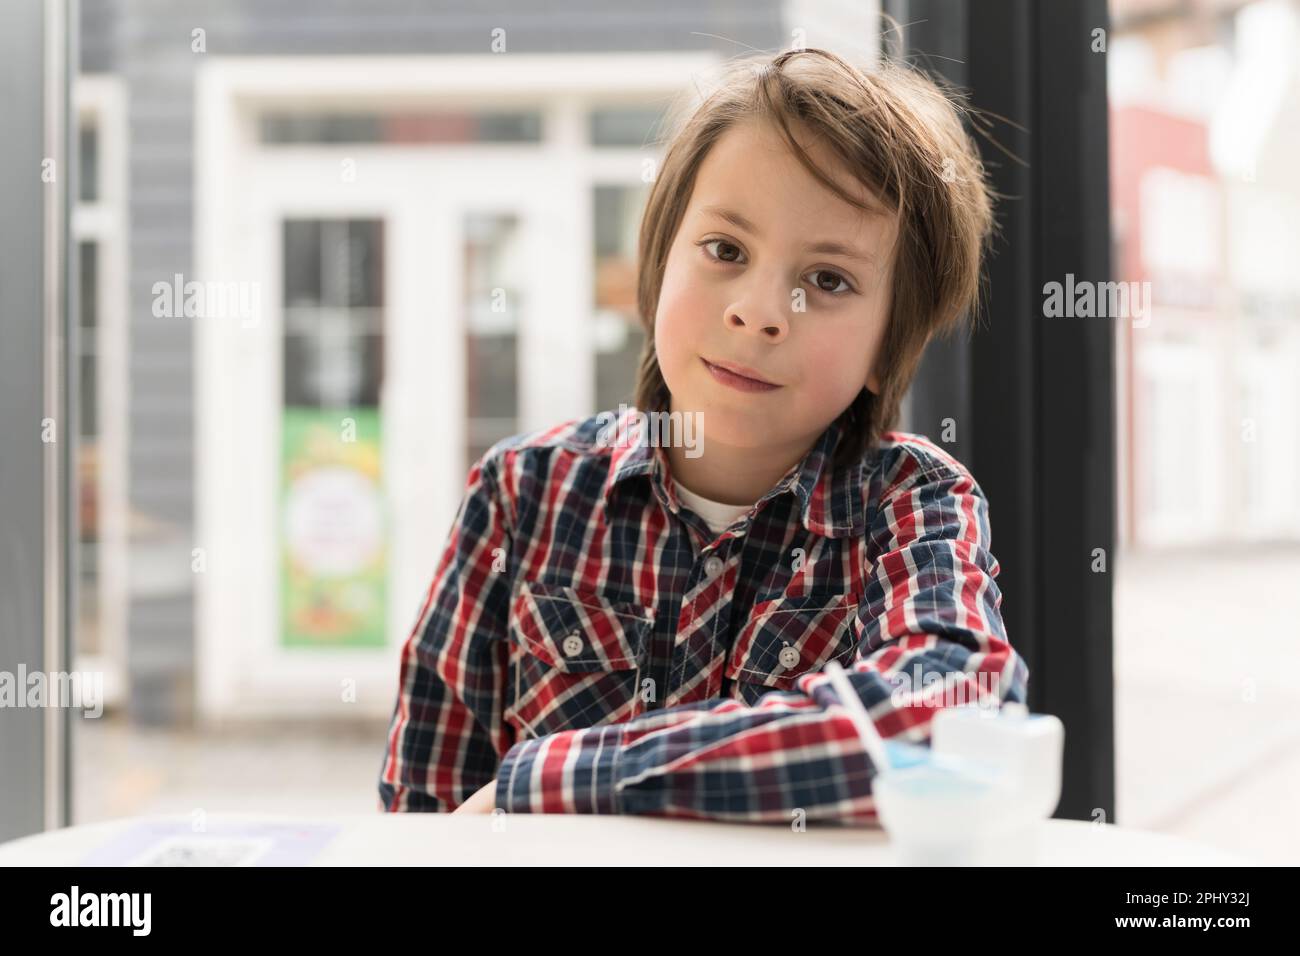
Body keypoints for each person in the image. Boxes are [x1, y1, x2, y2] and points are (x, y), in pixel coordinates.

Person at [378, 47, 1029, 821]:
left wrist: (568, 779)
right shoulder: (521, 493)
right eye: (725, 250)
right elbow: (424, 819)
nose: (759, 310)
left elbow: (951, 711)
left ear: (888, 352)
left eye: (828, 280)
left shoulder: (913, 503)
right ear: (656, 273)